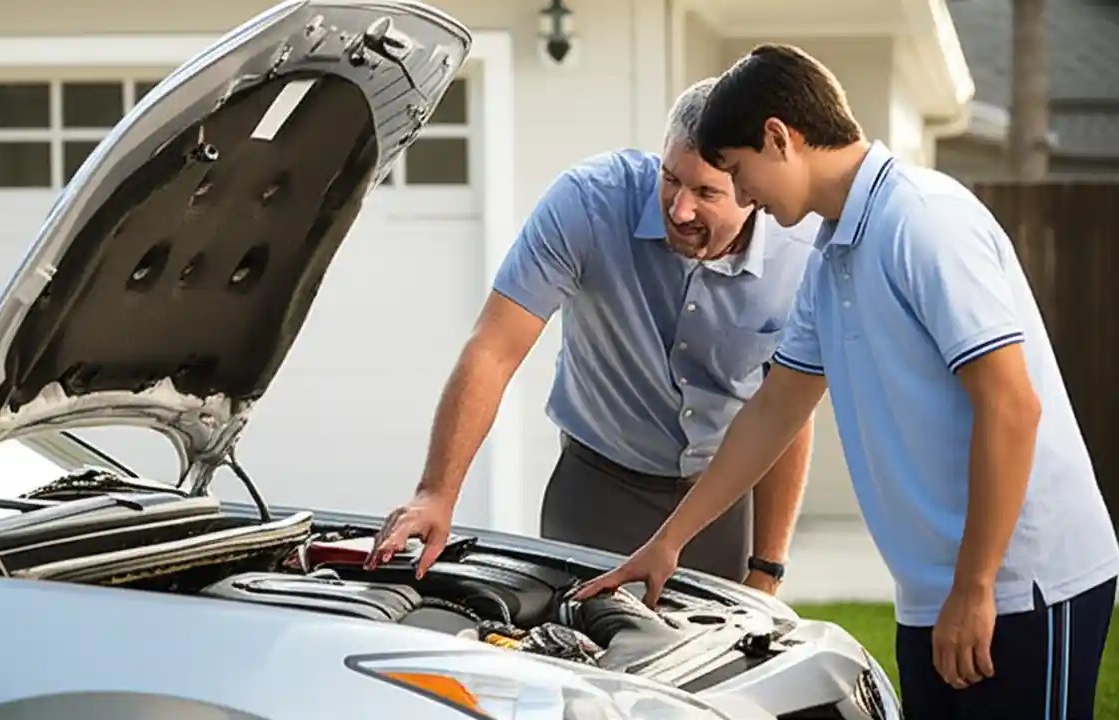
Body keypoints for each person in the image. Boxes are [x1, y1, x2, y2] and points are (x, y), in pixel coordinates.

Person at [571, 44, 1119, 719]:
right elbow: (775, 408)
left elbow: (1011, 407)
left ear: (779, 137)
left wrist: (976, 586)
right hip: (933, 591)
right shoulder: (831, 254)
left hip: (1021, 584)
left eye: (739, 174)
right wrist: (669, 543)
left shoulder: (923, 219)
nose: (743, 198)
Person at [366, 78, 821, 594]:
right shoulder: (589, 204)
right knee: (577, 656)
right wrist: (436, 494)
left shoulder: (801, 251)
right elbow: (494, 349)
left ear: (751, 193)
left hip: (720, 499)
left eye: (706, 192)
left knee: (703, 669)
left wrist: (767, 568)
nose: (679, 209)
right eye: (670, 179)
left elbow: (788, 410)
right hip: (598, 489)